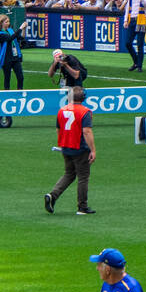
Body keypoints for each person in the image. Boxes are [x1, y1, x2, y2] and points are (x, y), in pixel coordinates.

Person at [44, 85, 96, 216]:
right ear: (83, 98)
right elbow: (87, 131)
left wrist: (63, 142)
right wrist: (93, 150)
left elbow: (58, 129)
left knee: (69, 174)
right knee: (83, 177)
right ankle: (82, 207)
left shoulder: (62, 110)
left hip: (65, 147)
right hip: (80, 149)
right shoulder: (85, 112)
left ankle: (53, 195)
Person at [122, 0, 146, 72]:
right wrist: (125, 20)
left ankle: (139, 66)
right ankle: (136, 61)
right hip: (132, 19)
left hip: (141, 19)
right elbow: (127, 8)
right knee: (127, 43)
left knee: (140, 44)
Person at [0, 14, 24, 90]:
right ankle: (7, 93)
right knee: (7, 78)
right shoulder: (0, 34)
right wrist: (20, 28)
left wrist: (23, 29)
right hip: (6, 59)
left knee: (20, 77)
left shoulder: (10, 30)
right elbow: (10, 38)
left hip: (15, 57)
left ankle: (19, 92)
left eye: (8, 21)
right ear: (1, 23)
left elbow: (21, 38)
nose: (8, 23)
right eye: (6, 22)